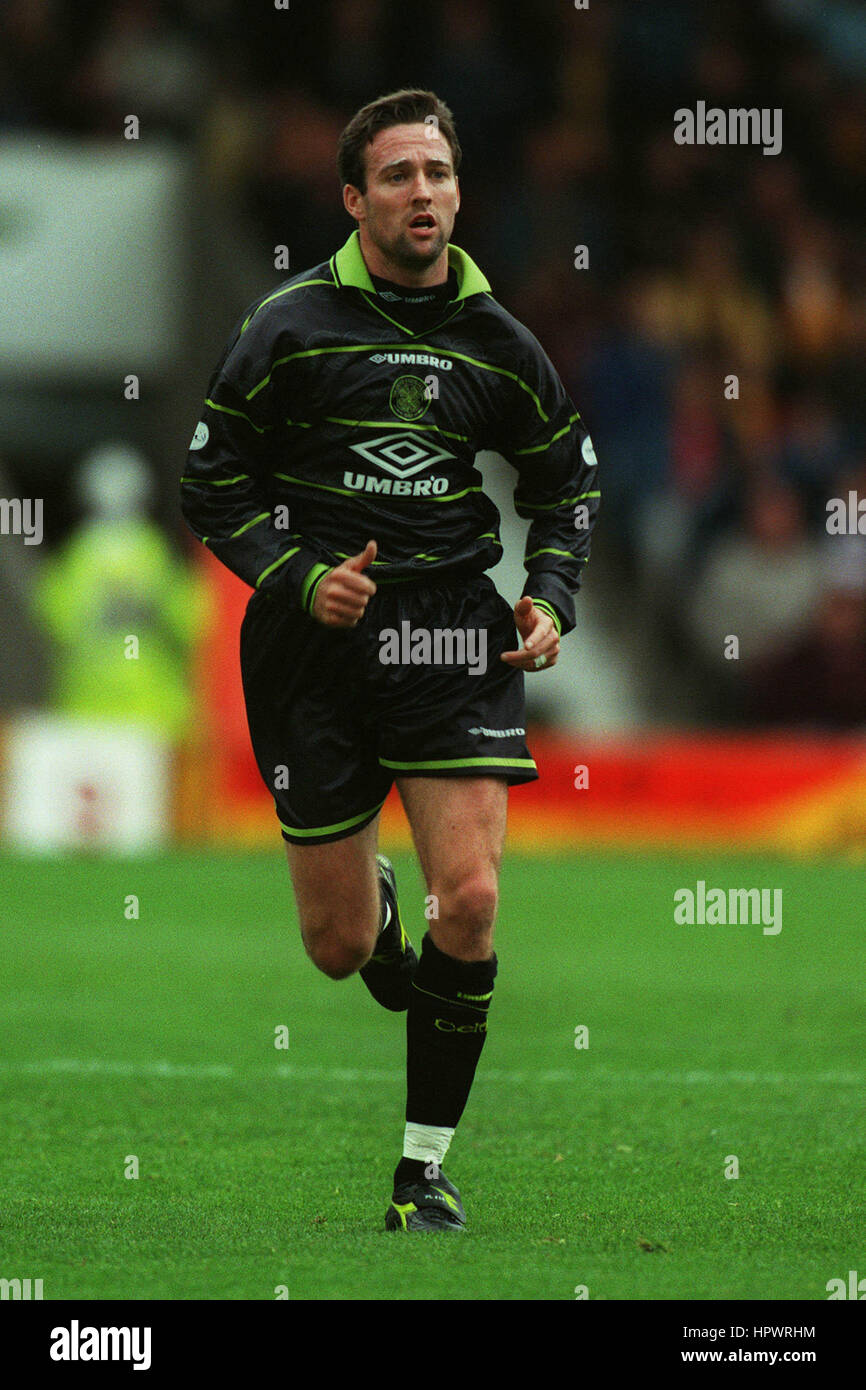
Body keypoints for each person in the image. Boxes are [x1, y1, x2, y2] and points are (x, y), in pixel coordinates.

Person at [181, 89, 599, 1233]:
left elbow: (565, 484)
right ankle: (368, 910)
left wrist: (548, 592)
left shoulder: (501, 345)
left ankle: (422, 1173)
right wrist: (302, 577)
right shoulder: (286, 327)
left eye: (439, 173)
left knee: (468, 897)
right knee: (338, 950)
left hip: (449, 636)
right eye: (399, 175)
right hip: (311, 645)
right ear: (355, 198)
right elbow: (210, 482)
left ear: (460, 191)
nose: (424, 193)